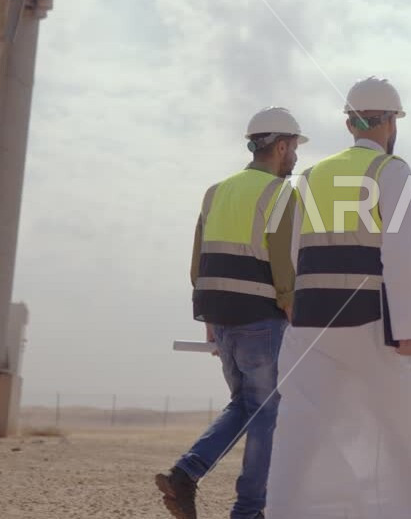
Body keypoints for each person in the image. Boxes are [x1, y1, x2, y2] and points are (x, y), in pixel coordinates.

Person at [264, 78, 411, 518]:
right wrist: (407, 329)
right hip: (369, 320)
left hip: (309, 322)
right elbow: (400, 255)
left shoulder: (310, 176)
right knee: (404, 423)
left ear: (349, 124)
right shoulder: (391, 170)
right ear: (390, 124)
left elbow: (295, 252)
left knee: (299, 427)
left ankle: (284, 512)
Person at [156, 107, 306, 519]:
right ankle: (248, 510)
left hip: (219, 313)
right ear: (281, 146)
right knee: (266, 413)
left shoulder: (215, 192)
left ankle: (185, 474)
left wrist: (208, 319)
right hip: (260, 316)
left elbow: (198, 261)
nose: (295, 156)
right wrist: (293, 310)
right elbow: (283, 262)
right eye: (295, 147)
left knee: (245, 404)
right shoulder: (281, 194)